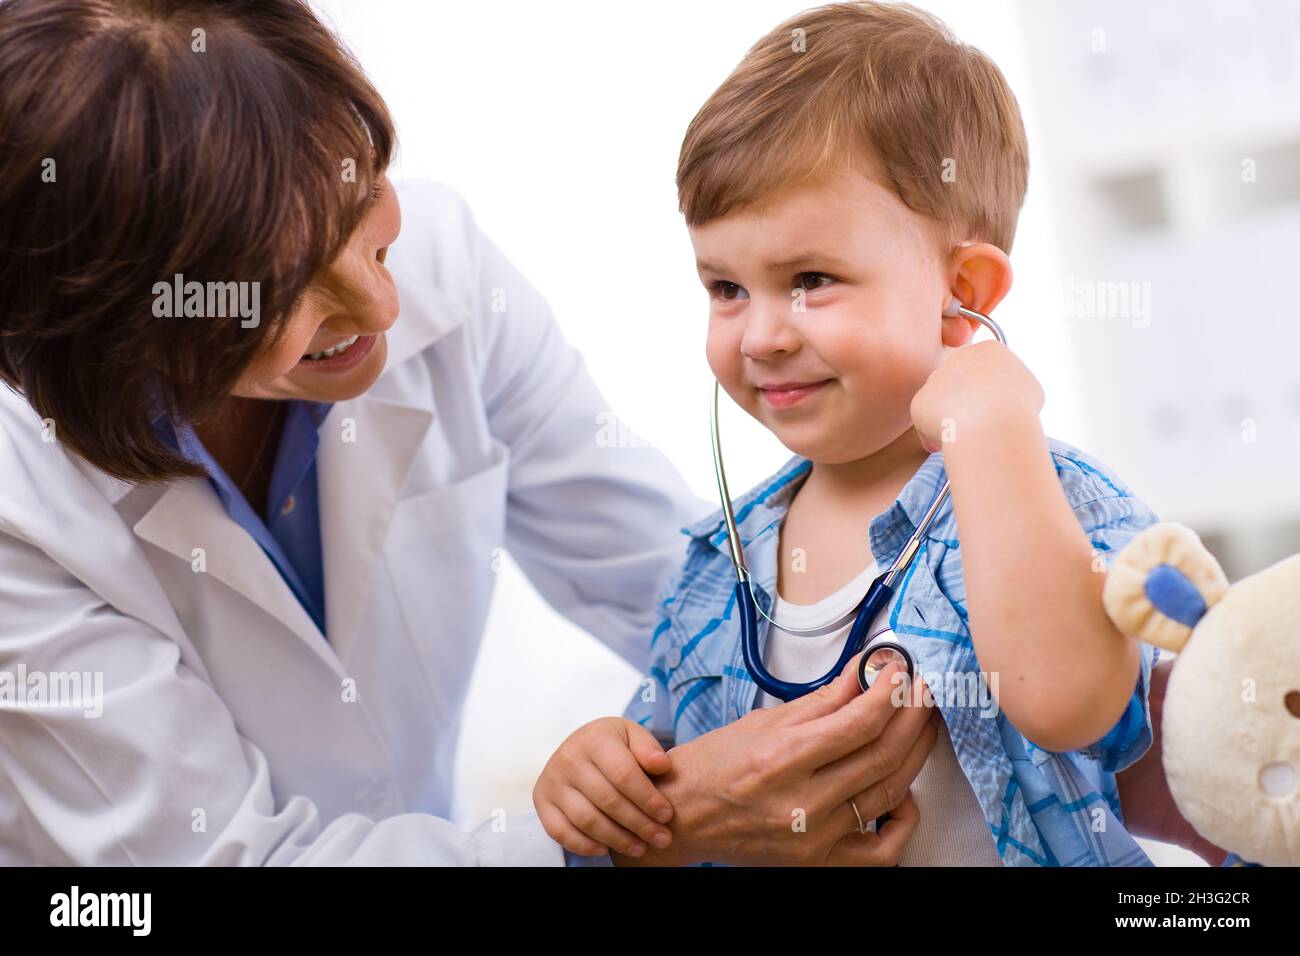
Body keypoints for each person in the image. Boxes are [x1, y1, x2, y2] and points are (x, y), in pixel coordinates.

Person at [0, 0, 945, 866]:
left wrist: (923, 660)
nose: (380, 301)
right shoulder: (22, 496)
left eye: (363, 204)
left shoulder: (446, 272)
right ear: (126, 328)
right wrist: (652, 824)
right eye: (281, 291)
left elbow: (682, 594)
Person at [534, 1, 1167, 867]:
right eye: (725, 288)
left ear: (964, 292)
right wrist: (598, 778)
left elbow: (1069, 703)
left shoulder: (1051, 496)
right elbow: (664, 788)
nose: (760, 335)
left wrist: (993, 427)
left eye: (811, 278)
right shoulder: (718, 562)